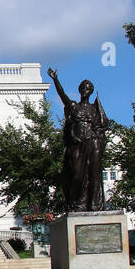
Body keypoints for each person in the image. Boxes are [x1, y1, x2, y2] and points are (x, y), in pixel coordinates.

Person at [48, 69, 108, 211]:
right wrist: (55, 80)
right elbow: (62, 96)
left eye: (87, 88)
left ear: (91, 91)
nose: (85, 90)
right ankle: (76, 202)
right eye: (83, 88)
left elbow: (102, 125)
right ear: (80, 90)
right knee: (76, 173)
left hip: (92, 143)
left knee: (93, 174)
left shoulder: (95, 109)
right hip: (77, 144)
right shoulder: (74, 106)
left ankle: (93, 203)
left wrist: (98, 140)